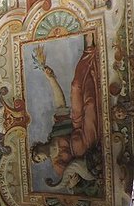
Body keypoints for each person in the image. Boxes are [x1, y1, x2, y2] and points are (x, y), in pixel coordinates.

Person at [29, 33, 102, 193]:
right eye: (39, 159)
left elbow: (60, 104)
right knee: (90, 104)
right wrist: (72, 184)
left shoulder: (55, 133)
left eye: (37, 154)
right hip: (86, 139)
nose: (41, 157)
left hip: (76, 124)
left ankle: (89, 51)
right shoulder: (57, 165)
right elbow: (71, 180)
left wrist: (51, 79)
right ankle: (96, 65)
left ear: (38, 145)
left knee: (76, 86)